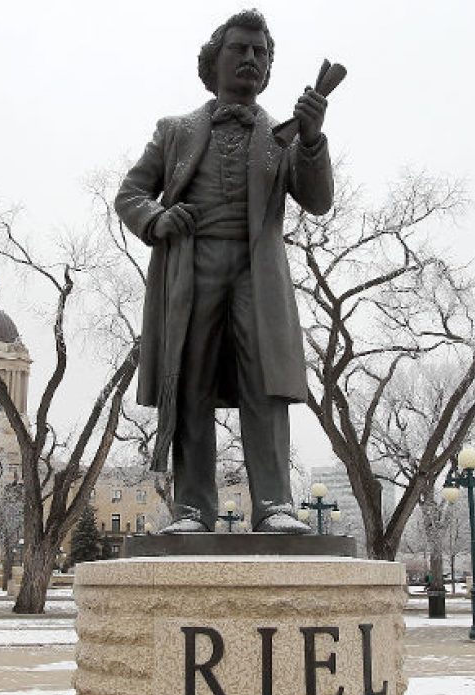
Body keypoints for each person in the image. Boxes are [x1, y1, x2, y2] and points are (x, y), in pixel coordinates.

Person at [116, 9, 334, 533]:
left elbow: (318, 200)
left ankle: (275, 507)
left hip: (258, 272)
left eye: (261, 52)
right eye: (241, 49)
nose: (252, 59)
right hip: (192, 269)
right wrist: (160, 217)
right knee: (188, 381)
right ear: (214, 61)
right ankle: (192, 510)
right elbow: (129, 195)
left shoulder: (281, 136)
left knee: (266, 384)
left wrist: (311, 140)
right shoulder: (175, 132)